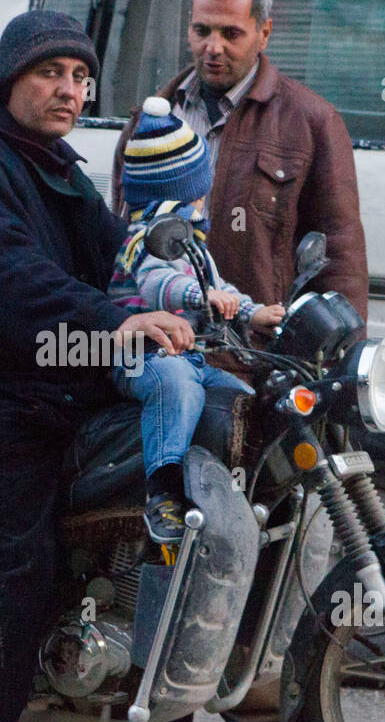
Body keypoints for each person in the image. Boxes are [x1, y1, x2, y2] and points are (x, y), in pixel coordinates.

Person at [0, 11, 216, 722]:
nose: (71, 92)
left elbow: (114, 254)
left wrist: (190, 299)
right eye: (53, 74)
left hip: (55, 384)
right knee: (25, 557)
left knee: (147, 519)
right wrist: (116, 325)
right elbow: (17, 289)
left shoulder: (56, 167)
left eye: (82, 79)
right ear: (11, 76)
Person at [111, 0, 370, 722]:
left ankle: (259, 703)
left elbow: (344, 256)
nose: (213, 45)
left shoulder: (309, 120)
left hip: (268, 368)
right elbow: (119, 238)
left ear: (265, 30)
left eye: (230, 30)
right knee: (189, 529)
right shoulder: (153, 114)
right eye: (201, 29)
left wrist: (341, 359)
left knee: (288, 531)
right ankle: (161, 708)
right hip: (186, 362)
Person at [108, 97, 283, 542]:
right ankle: (162, 493)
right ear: (178, 194)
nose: (204, 199)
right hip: (143, 357)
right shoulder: (143, 240)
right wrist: (198, 294)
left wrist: (254, 311)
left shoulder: (194, 246)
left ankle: (242, 493)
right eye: (197, 192)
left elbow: (220, 285)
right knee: (177, 388)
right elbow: (154, 285)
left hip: (193, 356)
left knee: (243, 396)